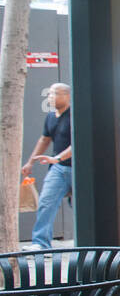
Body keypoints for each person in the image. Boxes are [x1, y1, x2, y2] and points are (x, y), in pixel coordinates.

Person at [23, 83, 73, 250]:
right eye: (50, 93)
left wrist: (57, 158)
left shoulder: (74, 116)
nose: (50, 97)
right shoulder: (51, 117)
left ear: (67, 96)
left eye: (55, 93)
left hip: (78, 169)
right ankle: (41, 243)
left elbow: (77, 144)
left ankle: (89, 243)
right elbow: (44, 140)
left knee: (80, 206)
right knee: (46, 202)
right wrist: (30, 162)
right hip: (58, 169)